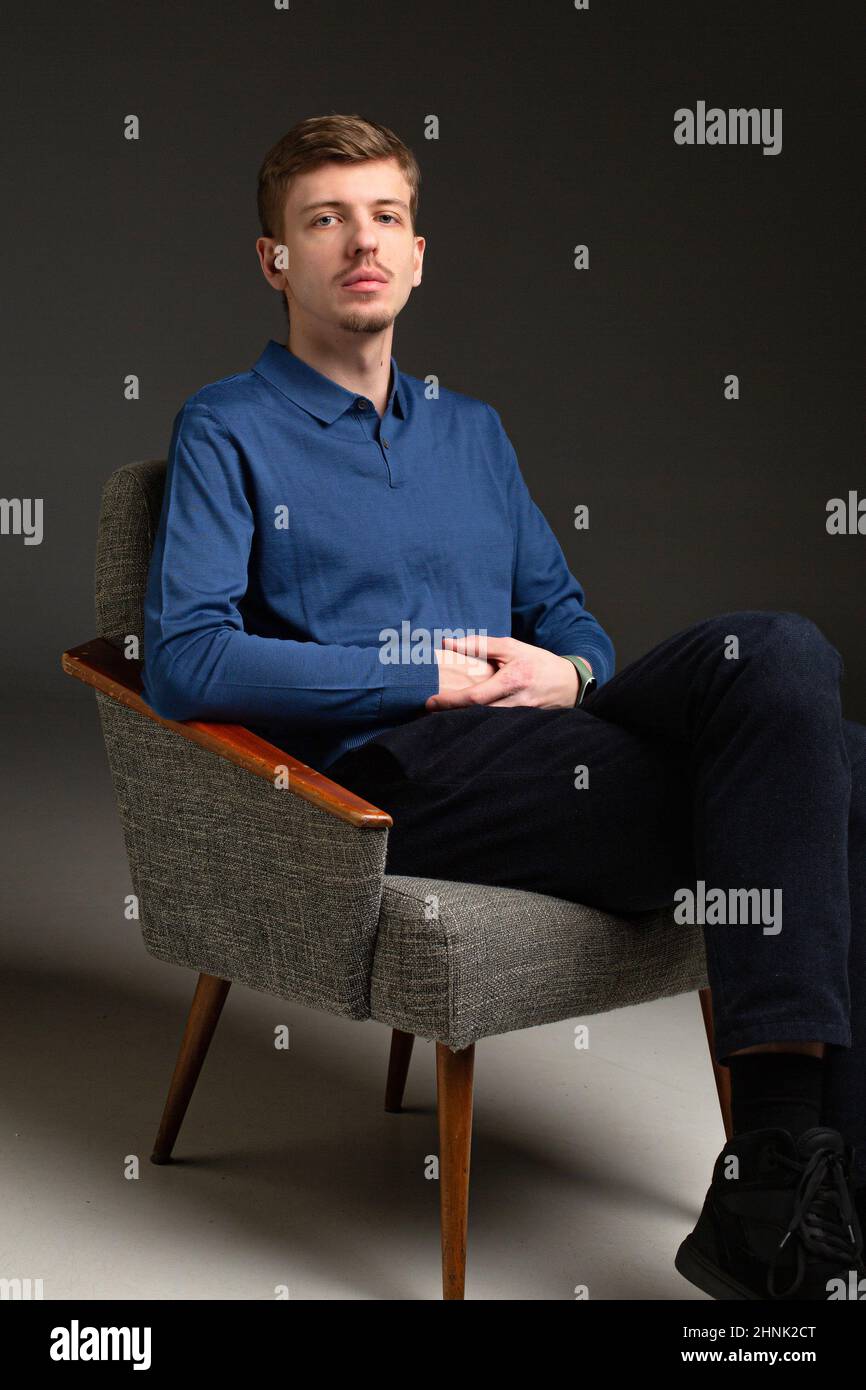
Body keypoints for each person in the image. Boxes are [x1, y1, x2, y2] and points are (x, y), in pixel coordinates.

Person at [142, 112, 866, 1301]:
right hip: (399, 771)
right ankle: (796, 1191)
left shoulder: (471, 431)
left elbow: (573, 620)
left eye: (383, 217)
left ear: (419, 253)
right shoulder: (227, 427)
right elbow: (187, 663)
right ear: (275, 259)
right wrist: (420, 675)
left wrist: (569, 674)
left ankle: (782, 1186)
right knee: (829, 773)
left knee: (779, 653)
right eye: (323, 220)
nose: (358, 243)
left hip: (549, 739)